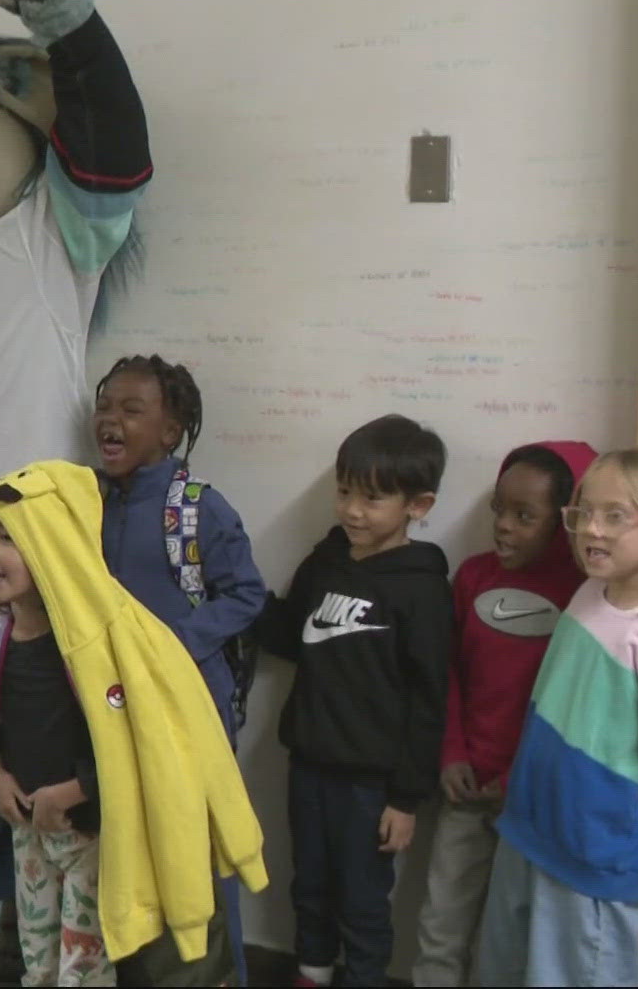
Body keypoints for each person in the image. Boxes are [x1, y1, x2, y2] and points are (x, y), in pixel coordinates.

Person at [473, 449, 638, 987]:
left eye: (614, 515)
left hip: (592, 860)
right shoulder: (589, 593)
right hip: (530, 833)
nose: (591, 529)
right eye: (583, 512)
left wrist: (626, 836)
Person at [255, 414, 453, 988]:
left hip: (373, 787)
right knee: (308, 886)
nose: (352, 511)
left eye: (372, 498)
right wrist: (233, 592)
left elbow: (428, 699)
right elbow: (289, 634)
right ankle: (312, 975)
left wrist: (406, 800)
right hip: (308, 767)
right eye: (345, 492)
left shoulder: (422, 589)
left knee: (364, 903)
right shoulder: (326, 561)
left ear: (417, 505)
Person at [93, 353, 265, 982]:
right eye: (105, 406)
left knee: (202, 855)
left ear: (171, 431)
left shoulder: (198, 510)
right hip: (115, 709)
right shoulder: (86, 500)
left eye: (131, 410)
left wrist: (169, 648)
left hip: (190, 709)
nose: (111, 420)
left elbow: (246, 594)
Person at [412, 441, 597, 986]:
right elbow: (447, 677)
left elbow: (578, 709)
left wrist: (519, 779)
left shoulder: (588, 598)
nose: (505, 527)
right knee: (440, 928)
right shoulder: (473, 579)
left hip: (536, 801)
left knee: (514, 942)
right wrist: (451, 754)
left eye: (525, 516)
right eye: (499, 510)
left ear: (568, 520)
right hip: (466, 792)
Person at [0, 501, 109, 986]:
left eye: (7, 538)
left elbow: (126, 743)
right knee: (38, 963)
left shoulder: (88, 642)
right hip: (29, 833)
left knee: (83, 973)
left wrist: (72, 792)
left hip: (88, 834)